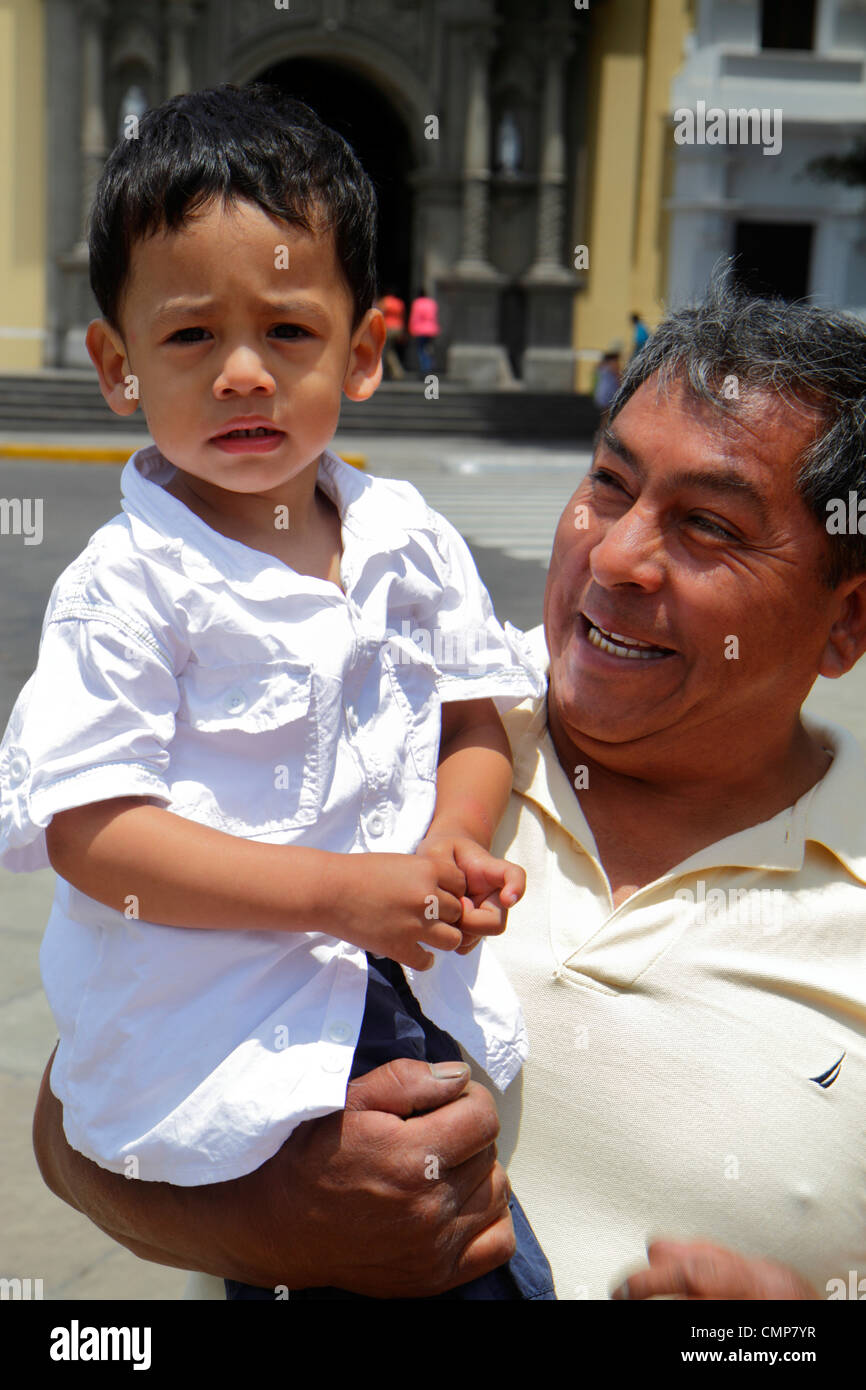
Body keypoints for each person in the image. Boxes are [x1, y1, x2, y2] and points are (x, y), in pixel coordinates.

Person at [32, 270, 866, 1302]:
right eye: (608, 483)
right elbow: (70, 1120)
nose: (615, 556)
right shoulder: (377, 731)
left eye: (708, 526)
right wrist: (266, 1222)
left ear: (846, 621)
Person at [0, 83, 555, 1301]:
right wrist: (345, 892)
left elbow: (475, 716)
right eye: (192, 336)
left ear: (363, 355)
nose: (244, 373)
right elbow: (95, 833)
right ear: (116, 364)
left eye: (289, 334)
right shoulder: (126, 588)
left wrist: (451, 847)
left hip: (407, 1001)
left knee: (490, 1265)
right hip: (228, 1047)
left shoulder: (407, 539)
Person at [408, 287, 440, 376]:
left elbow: (415, 317)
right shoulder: (432, 303)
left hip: (420, 330)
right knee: (429, 349)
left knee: (421, 350)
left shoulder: (417, 303)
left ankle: (425, 369)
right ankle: (431, 365)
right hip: (432, 329)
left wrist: (411, 329)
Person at [376, 287, 406, 380]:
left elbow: (379, 313)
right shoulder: (399, 303)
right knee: (390, 350)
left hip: (388, 327)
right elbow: (402, 316)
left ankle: (396, 372)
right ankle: (393, 372)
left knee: (386, 350)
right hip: (398, 327)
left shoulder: (385, 301)